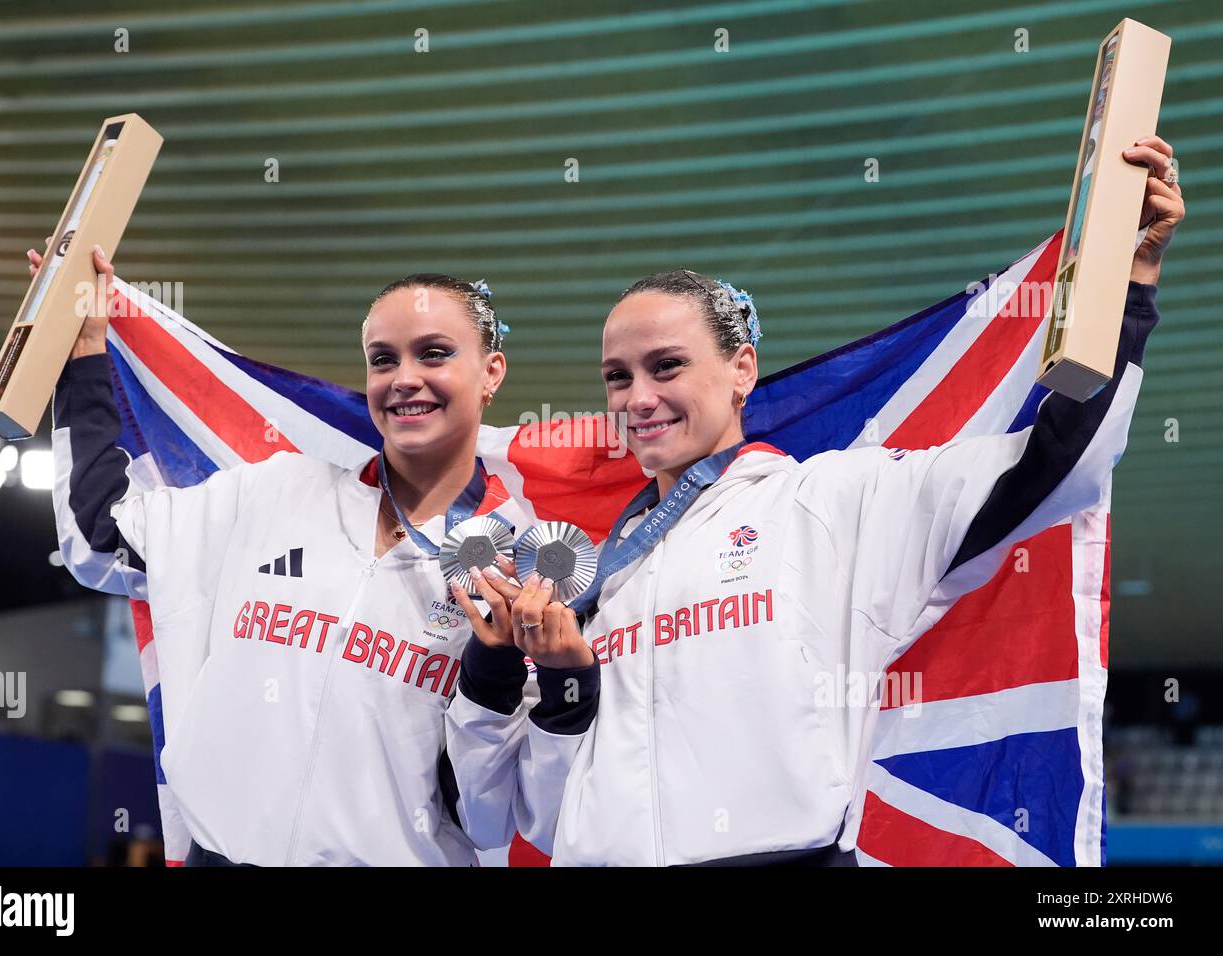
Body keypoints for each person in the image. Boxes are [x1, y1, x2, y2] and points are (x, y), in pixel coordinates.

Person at [446, 136, 1184, 866]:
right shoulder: (597, 578)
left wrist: (1129, 285)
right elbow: (534, 820)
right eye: (617, 376)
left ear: (742, 369)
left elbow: (1055, 465)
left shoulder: (834, 502)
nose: (638, 398)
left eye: (666, 366)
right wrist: (565, 681)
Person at [39, 244, 584, 865]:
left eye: (434, 353)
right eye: (383, 359)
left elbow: (508, 815)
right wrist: (85, 356)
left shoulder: (525, 568)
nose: (404, 377)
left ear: (492, 372)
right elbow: (101, 538)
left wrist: (515, 672)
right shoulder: (274, 493)